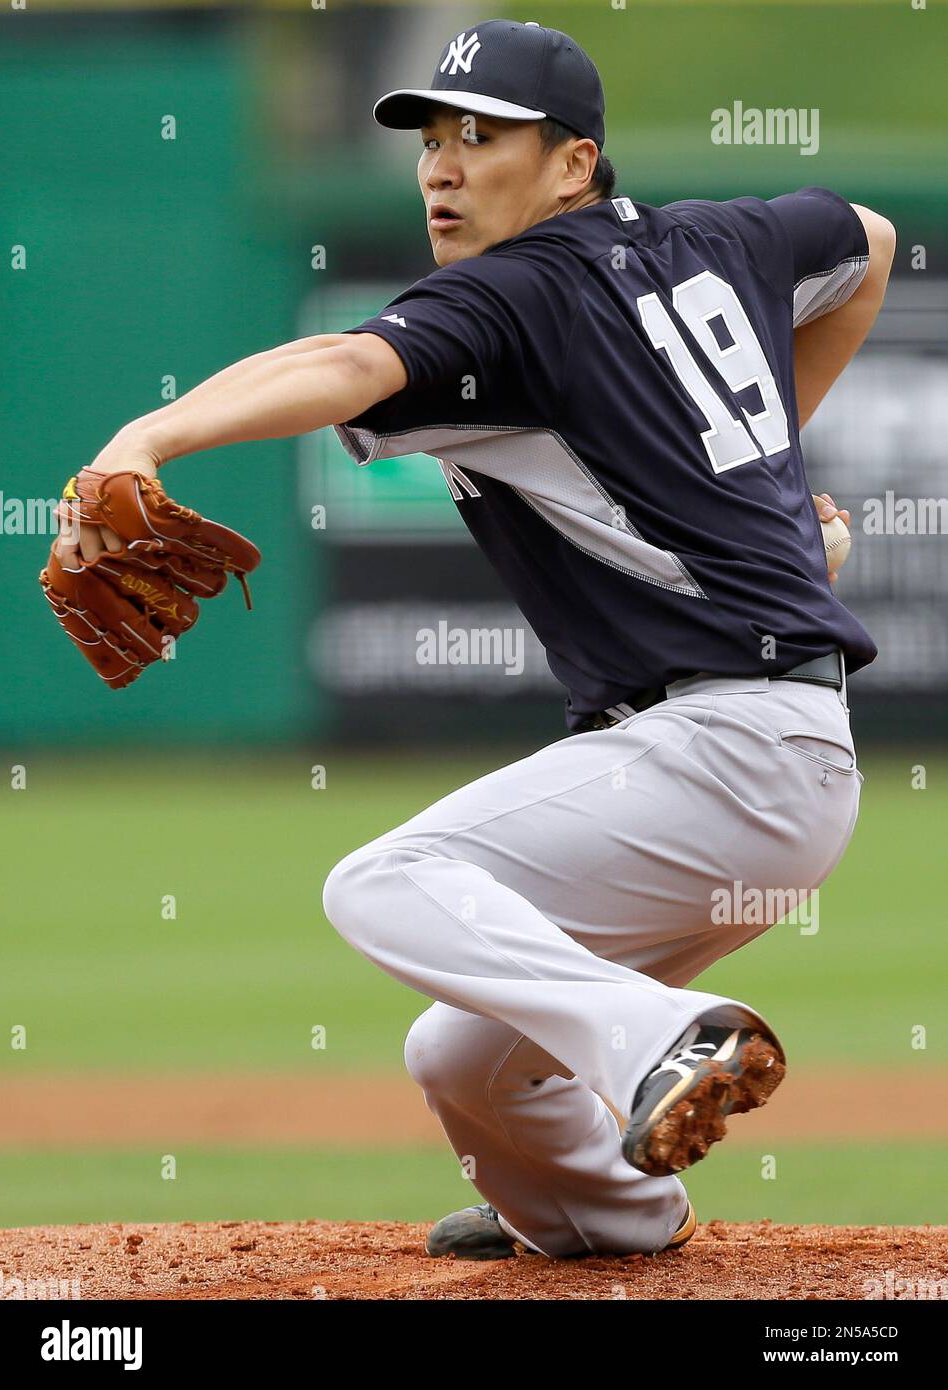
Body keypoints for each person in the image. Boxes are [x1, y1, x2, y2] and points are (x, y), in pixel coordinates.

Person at [77, 19, 896, 1260]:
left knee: (381, 883)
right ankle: (615, 1217)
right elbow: (871, 241)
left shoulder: (515, 293)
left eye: (482, 136)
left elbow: (344, 359)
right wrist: (768, 484)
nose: (441, 168)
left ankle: (659, 1038)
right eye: (428, 139)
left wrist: (146, 440)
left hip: (722, 750)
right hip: (779, 759)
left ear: (575, 164)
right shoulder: (724, 235)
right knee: (462, 1054)